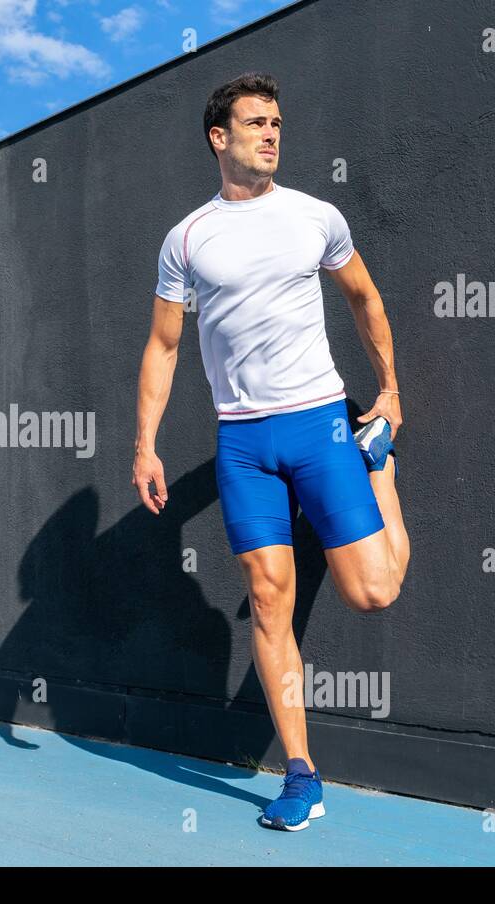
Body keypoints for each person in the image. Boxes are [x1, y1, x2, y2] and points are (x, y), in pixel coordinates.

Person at [132, 72, 410, 832]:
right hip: (243, 442)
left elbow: (364, 298)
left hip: (321, 423)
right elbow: (164, 345)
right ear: (218, 137)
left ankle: (378, 464)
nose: (271, 134)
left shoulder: (315, 217)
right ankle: (300, 773)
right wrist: (146, 445)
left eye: (277, 123)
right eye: (255, 123)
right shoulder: (186, 238)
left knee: (373, 592)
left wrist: (388, 392)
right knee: (266, 598)